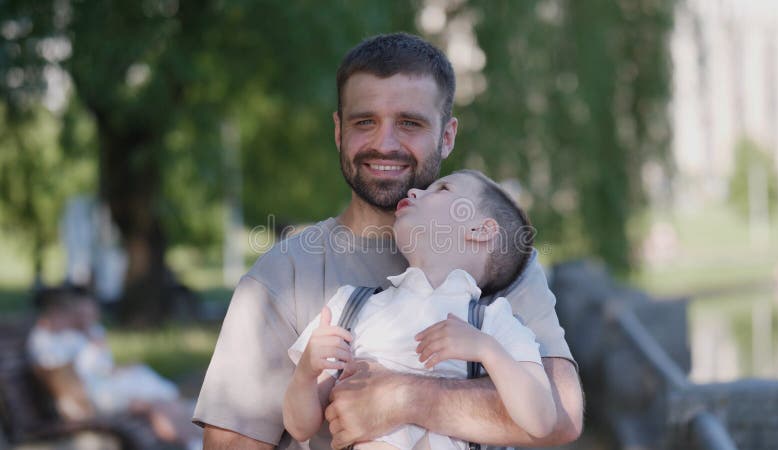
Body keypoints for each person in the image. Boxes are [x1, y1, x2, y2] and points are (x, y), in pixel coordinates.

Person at [195, 32, 583, 449]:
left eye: (410, 123)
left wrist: (405, 397)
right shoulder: (282, 276)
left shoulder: (496, 259)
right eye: (365, 122)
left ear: (447, 135)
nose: (384, 144)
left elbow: (559, 418)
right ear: (339, 131)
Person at [283, 170, 557, 449]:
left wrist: (487, 351)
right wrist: (305, 373)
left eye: (442, 189)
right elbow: (300, 426)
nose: (414, 192)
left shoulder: (495, 323)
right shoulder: (350, 306)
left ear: (480, 230)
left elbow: (542, 420)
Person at [27, 286, 202, 450]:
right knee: (158, 404)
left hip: (103, 388)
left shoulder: (71, 335)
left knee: (156, 395)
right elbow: (66, 384)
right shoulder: (44, 342)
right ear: (52, 312)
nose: (72, 316)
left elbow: (97, 366)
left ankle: (195, 439)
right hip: (95, 398)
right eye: (68, 311)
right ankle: (193, 441)